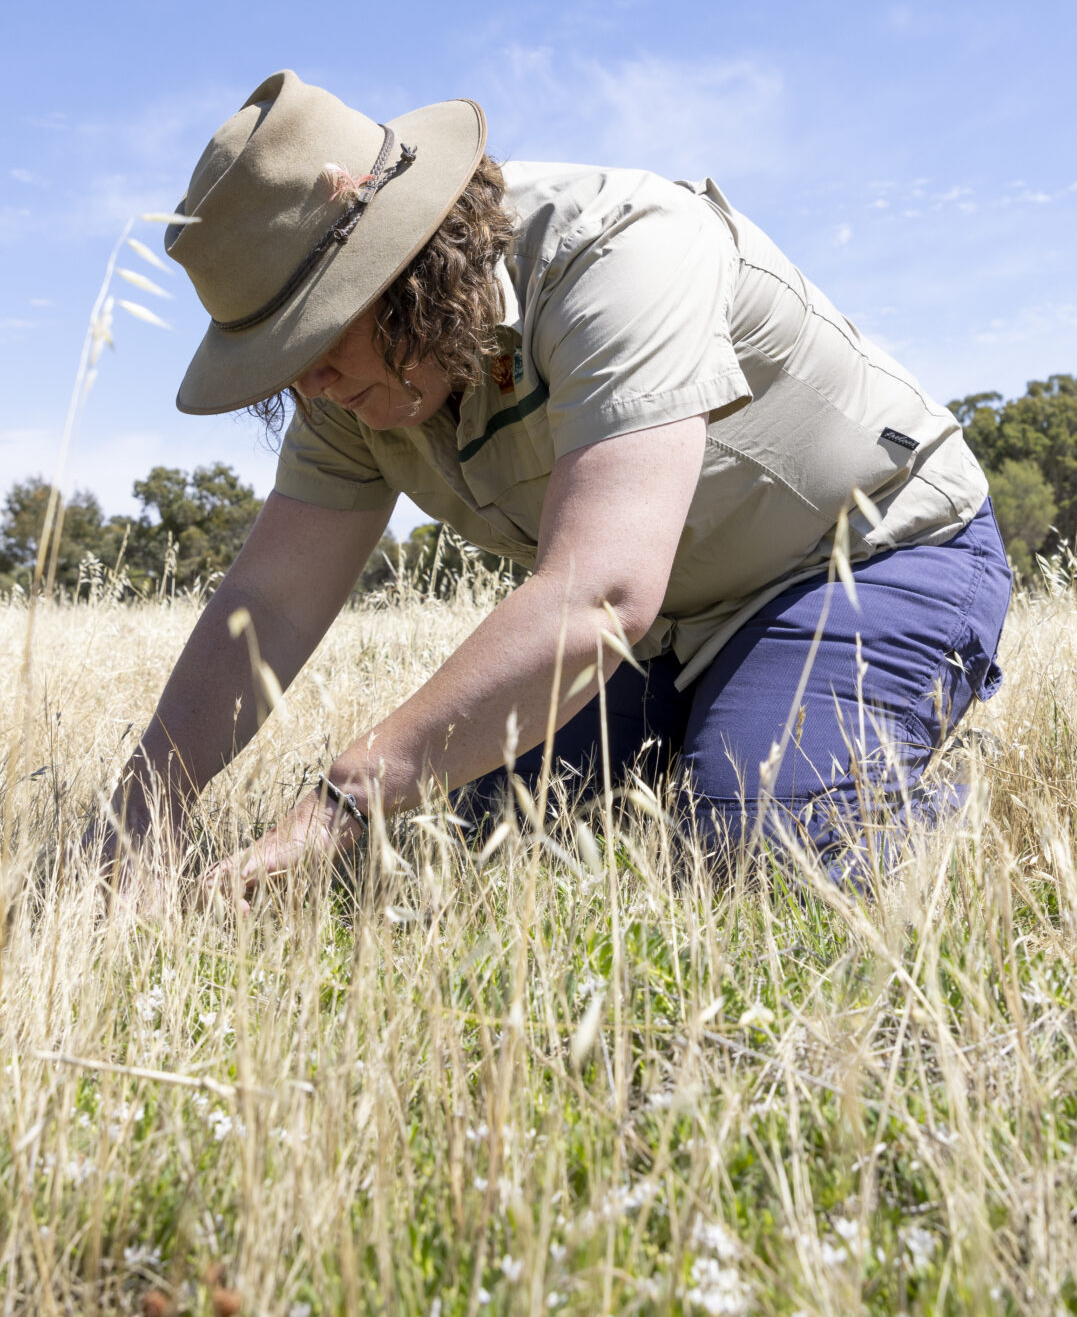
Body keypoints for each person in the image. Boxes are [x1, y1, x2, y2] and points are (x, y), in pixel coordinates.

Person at [103, 70, 1010, 897]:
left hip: (868, 560)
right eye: (279, 358)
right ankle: (724, 725)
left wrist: (344, 798)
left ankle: (922, 803)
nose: (308, 387)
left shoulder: (619, 253)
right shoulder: (347, 383)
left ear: (403, 270)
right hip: (666, 631)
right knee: (453, 846)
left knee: (766, 845)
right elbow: (269, 603)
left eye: (315, 338)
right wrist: (139, 815)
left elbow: (601, 600)